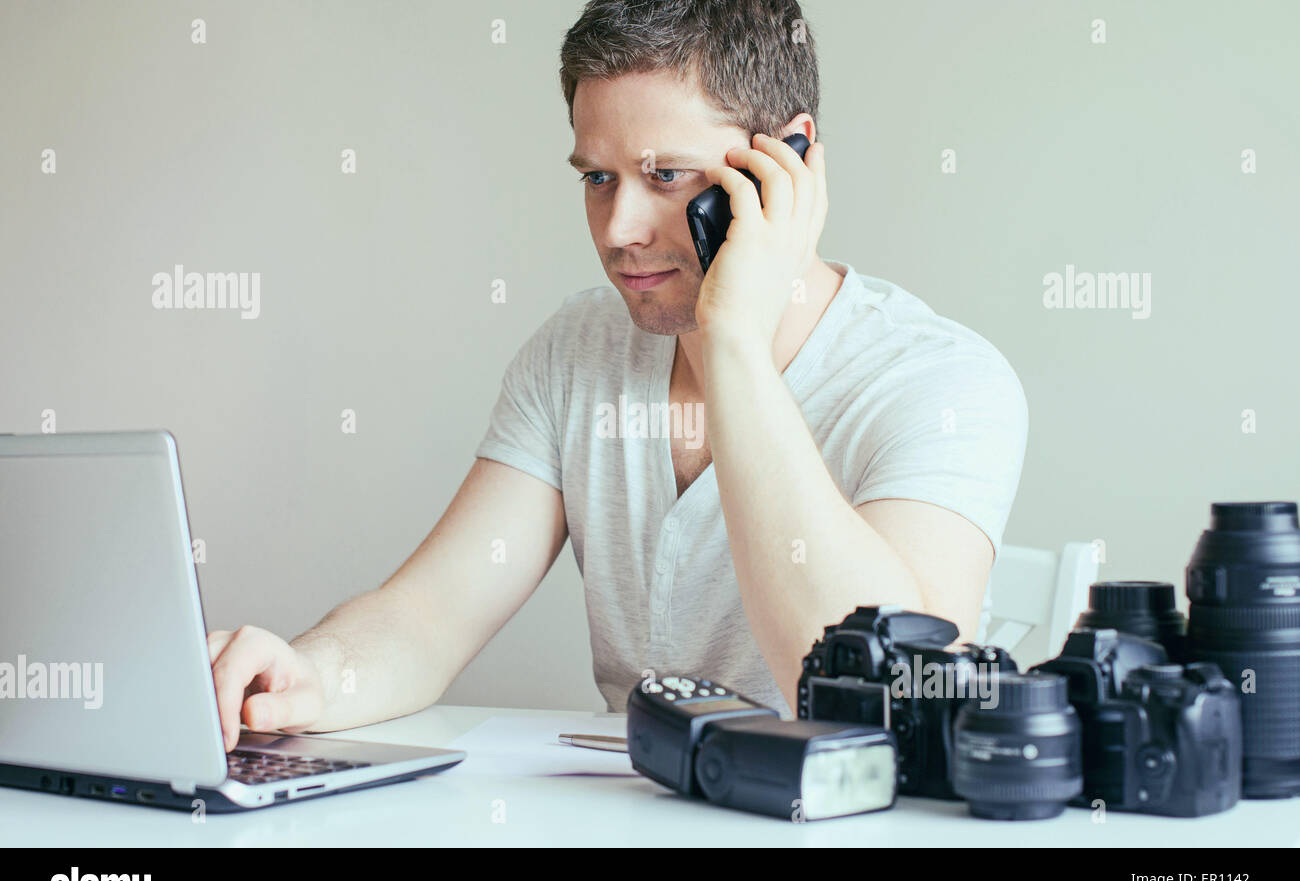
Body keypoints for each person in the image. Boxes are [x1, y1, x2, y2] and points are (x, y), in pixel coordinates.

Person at [208, 0, 1028, 751]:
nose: (618, 229)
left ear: (789, 160)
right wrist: (307, 675)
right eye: (598, 178)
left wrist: (733, 342)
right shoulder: (577, 352)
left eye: (666, 175)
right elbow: (427, 617)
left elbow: (884, 705)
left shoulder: (943, 385)